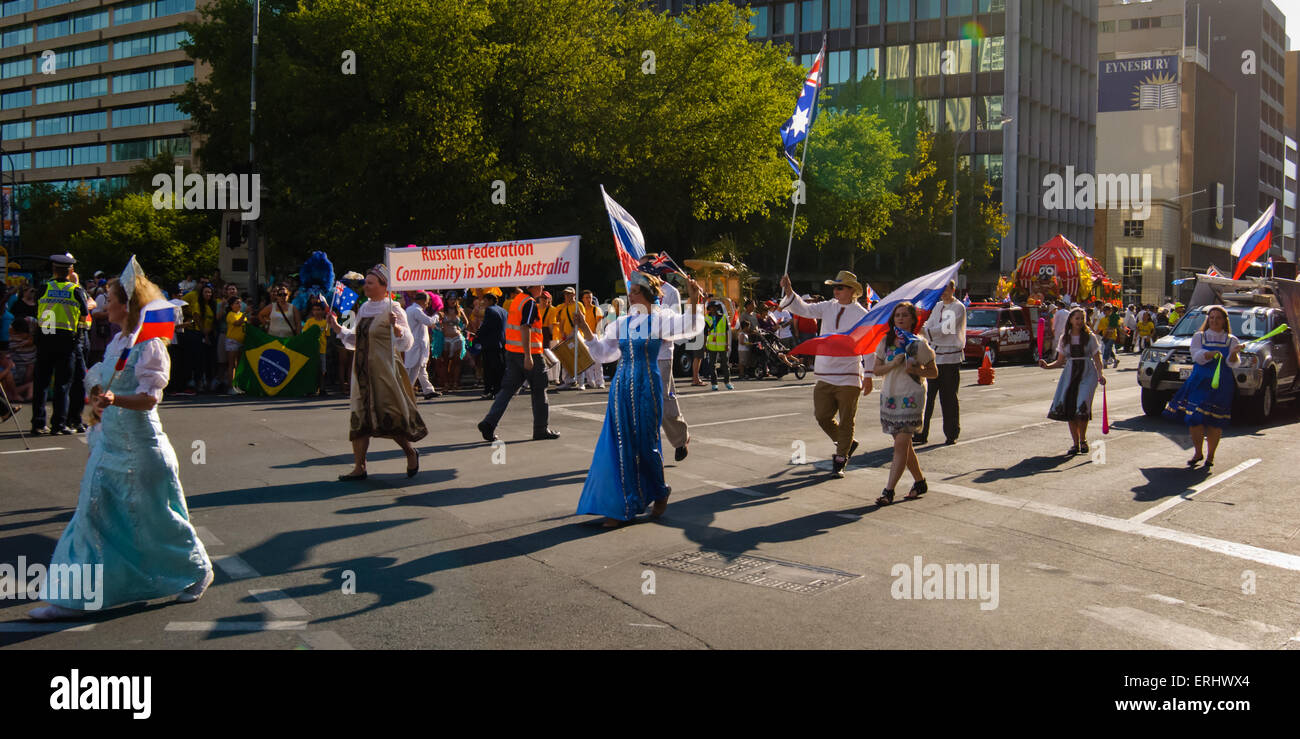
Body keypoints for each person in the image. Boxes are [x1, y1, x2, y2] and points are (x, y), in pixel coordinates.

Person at [28, 264, 214, 620]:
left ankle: (197, 568)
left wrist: (116, 400)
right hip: (108, 445)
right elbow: (108, 388)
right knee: (91, 516)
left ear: (126, 306)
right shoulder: (118, 342)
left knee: (156, 520)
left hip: (142, 449)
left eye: (109, 300)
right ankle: (71, 597)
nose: (102, 306)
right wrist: (99, 399)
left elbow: (149, 399)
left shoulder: (149, 346)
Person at [575, 272, 704, 528]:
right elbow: (602, 353)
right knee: (619, 443)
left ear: (646, 294)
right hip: (621, 387)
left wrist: (694, 300)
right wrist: (587, 331)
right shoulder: (622, 322)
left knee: (647, 443)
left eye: (634, 291)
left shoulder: (659, 320)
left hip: (648, 386)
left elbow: (689, 327)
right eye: (630, 291)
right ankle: (621, 505)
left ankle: (659, 490)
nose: (629, 294)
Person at [326, 264, 428, 480]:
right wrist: (337, 328)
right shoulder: (364, 308)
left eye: (370, 283)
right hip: (361, 371)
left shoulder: (394, 308)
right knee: (360, 417)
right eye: (366, 283)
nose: (366, 286)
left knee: (389, 417)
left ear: (384, 286)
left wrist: (398, 329)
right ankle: (359, 467)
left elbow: (407, 343)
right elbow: (357, 339)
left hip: (384, 371)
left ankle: (410, 452)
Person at [779, 270, 875, 478]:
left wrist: (868, 374)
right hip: (824, 373)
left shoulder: (862, 315)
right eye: (835, 287)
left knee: (847, 420)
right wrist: (789, 290)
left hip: (849, 374)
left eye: (840, 287)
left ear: (852, 291)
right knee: (822, 416)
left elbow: (868, 346)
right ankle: (847, 443)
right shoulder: (828, 306)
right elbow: (803, 309)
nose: (836, 290)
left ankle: (840, 459)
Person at [872, 302, 938, 505]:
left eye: (904, 315)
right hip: (891, 397)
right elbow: (877, 369)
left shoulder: (918, 344)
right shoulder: (886, 341)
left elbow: (933, 372)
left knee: (901, 444)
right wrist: (892, 364)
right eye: (897, 315)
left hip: (912, 396)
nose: (900, 318)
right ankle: (919, 482)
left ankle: (888, 491)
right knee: (904, 445)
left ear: (913, 320)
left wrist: (915, 370)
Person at [477, 285, 560, 442]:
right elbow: (525, 327)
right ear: (533, 286)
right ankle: (540, 430)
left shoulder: (517, 300)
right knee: (539, 390)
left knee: (507, 390)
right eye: (540, 285)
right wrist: (528, 356)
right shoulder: (529, 302)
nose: (542, 287)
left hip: (513, 352)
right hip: (530, 354)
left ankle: (489, 423)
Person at [1163, 305, 1239, 468]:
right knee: (1194, 417)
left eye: (1218, 318)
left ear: (1224, 321)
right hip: (1199, 381)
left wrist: (1234, 353)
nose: (1214, 321)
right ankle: (1198, 452)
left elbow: (1232, 363)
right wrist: (1209, 354)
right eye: (1211, 317)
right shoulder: (1200, 336)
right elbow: (1196, 355)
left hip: (1221, 384)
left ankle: (1210, 456)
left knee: (1214, 421)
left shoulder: (1231, 340)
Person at [31, 254, 90, 435]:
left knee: (41, 383)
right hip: (67, 341)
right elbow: (85, 312)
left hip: (45, 337)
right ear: (70, 271)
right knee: (63, 384)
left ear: (54, 270)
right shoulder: (75, 290)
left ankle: (38, 424)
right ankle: (59, 424)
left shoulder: (43, 288)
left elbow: (37, 309)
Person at [1038, 307, 1106, 455]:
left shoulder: (1090, 337)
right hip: (1069, 375)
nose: (1080, 321)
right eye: (1077, 318)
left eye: (1082, 318)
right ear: (1071, 320)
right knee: (1070, 408)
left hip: (1087, 374)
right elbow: (1060, 361)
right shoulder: (1065, 338)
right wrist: (1046, 366)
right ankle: (1075, 444)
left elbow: (1097, 358)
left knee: (1082, 407)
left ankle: (1083, 439)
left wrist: (1100, 374)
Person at [918, 279, 965, 445]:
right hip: (934, 356)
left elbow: (945, 329)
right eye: (941, 290)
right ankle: (921, 432)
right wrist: (922, 328)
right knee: (927, 397)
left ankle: (951, 433)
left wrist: (924, 330)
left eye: (946, 289)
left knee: (948, 398)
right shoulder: (938, 306)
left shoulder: (957, 307)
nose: (943, 293)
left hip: (950, 359)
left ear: (953, 289)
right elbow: (929, 324)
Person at [403, 291, 440, 400]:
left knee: (421, 368)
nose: (427, 305)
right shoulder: (416, 310)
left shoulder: (410, 309)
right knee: (414, 368)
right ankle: (406, 392)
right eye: (427, 302)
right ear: (422, 301)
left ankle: (428, 390)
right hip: (417, 344)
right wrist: (437, 315)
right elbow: (429, 321)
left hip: (416, 343)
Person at [433, 293, 467, 392]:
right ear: (447, 300)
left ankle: (455, 383)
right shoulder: (442, 311)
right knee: (445, 362)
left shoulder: (459, 310)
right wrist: (439, 329)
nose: (453, 301)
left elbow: (466, 322)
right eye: (451, 299)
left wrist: (461, 329)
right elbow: (434, 322)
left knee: (457, 362)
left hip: (457, 339)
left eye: (454, 299)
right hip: (446, 339)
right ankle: (446, 384)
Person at [477, 291, 507, 399]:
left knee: (489, 369)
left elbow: (486, 326)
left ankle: (489, 391)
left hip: (490, 344)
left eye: (485, 300)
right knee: (499, 368)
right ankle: (498, 390)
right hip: (501, 343)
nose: (483, 303)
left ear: (490, 300)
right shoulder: (503, 311)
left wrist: (477, 335)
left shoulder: (490, 310)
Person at [702, 298, 733, 391]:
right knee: (712, 365)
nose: (713, 309)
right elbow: (705, 333)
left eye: (715, 307)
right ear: (709, 309)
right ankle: (714, 383)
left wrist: (727, 344)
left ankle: (727, 382)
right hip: (711, 345)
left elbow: (726, 331)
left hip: (722, 345)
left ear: (717, 308)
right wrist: (704, 345)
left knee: (725, 364)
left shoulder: (723, 317)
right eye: (711, 308)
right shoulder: (707, 318)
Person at [303, 297, 331, 397]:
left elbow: (327, 336)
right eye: (314, 310)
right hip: (311, 350)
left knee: (322, 370)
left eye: (319, 310)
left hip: (322, 350)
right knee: (312, 369)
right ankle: (311, 388)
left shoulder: (325, 322)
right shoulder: (309, 322)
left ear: (323, 311)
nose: (316, 312)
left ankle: (322, 389)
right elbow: (305, 334)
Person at [223, 295, 247, 395]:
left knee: (238, 365)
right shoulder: (230, 314)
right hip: (232, 341)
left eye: (240, 303)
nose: (239, 305)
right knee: (232, 364)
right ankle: (230, 386)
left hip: (241, 342)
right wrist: (245, 314)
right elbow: (237, 323)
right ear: (231, 305)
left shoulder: (241, 314)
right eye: (237, 303)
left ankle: (237, 385)